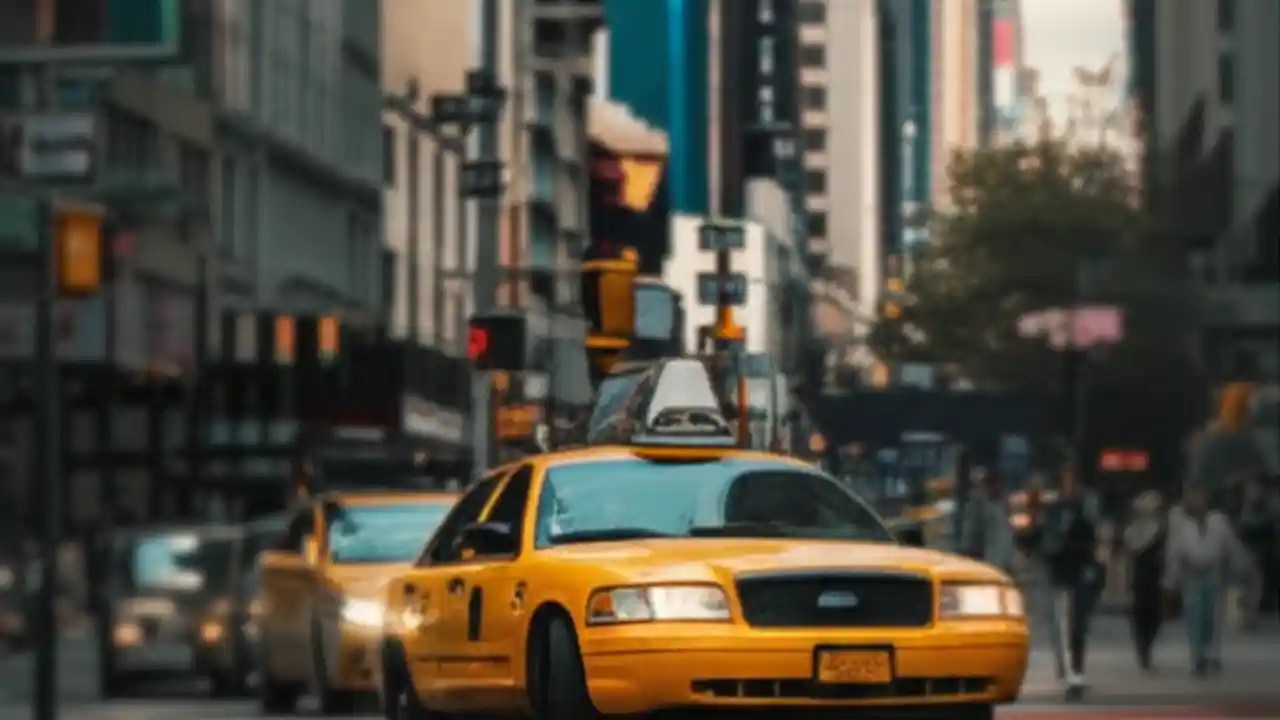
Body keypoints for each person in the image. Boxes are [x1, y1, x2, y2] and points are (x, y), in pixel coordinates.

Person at [1163, 482, 1250, 677]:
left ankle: (1211, 653)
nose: (1196, 499)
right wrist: (1171, 580)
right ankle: (1197, 657)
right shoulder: (1181, 523)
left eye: (1199, 495)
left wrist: (1238, 567)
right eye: (1192, 495)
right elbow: (1174, 552)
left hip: (1213, 572)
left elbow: (1231, 546)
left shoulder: (1218, 521)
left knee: (1212, 615)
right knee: (1195, 615)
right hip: (1192, 574)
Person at [1037, 465, 1104, 700]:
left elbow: (1093, 536)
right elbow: (1046, 541)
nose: (1071, 488)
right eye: (1067, 482)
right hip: (1061, 574)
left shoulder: (1084, 510)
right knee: (1063, 626)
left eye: (1074, 483)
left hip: (1080, 572)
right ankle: (1070, 674)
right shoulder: (1054, 510)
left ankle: (1077, 668)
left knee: (1079, 624)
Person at [1123, 490, 1166, 670]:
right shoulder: (1131, 531)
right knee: (1140, 616)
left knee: (1155, 616)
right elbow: (1128, 556)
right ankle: (1143, 649)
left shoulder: (1160, 528)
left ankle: (1147, 646)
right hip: (1139, 579)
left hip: (1156, 578)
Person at [959, 470, 1016, 571]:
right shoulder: (980, 506)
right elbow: (971, 536)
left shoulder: (1001, 506)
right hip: (988, 563)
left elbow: (1006, 539)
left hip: (1001, 564)